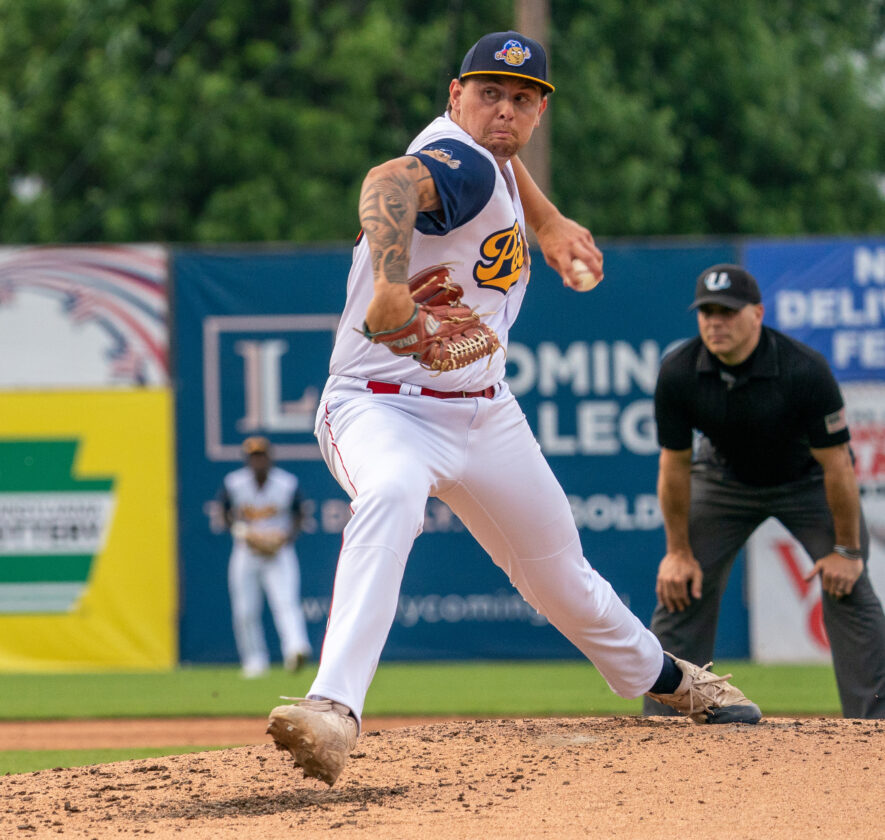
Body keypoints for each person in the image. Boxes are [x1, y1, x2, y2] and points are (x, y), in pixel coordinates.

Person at [267, 31, 760, 787]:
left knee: (559, 576)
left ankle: (672, 680)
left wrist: (548, 219)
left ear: (537, 113)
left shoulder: (490, 157)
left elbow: (498, 160)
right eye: (488, 92)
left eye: (522, 99)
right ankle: (332, 706)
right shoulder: (455, 159)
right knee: (392, 495)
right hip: (381, 405)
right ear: (452, 97)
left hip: (482, 412)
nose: (504, 110)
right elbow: (390, 181)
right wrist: (392, 281)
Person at [643, 264, 885, 720]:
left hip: (807, 483)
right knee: (680, 586)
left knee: (849, 587)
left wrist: (847, 551)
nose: (716, 322)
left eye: (728, 312)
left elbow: (838, 465)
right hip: (724, 482)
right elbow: (674, 464)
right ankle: (664, 726)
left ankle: (875, 727)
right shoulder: (679, 371)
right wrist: (677, 551)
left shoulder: (803, 368)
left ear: (758, 313)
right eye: (707, 311)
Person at [218, 436, 312, 678]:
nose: (258, 461)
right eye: (253, 457)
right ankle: (254, 660)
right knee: (245, 609)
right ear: (247, 460)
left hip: (278, 552)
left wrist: (284, 537)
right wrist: (243, 534)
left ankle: (295, 651)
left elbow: (299, 514)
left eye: (261, 456)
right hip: (246, 552)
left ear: (270, 458)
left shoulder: (286, 483)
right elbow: (225, 513)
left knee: (286, 602)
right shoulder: (235, 483)